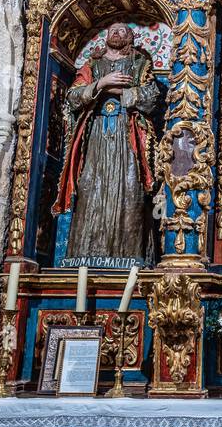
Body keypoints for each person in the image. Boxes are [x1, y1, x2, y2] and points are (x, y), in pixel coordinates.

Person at [54, 22, 160, 266]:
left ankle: (128, 257)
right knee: (90, 189)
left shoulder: (140, 63)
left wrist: (121, 92)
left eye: (122, 30)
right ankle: (83, 257)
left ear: (130, 37)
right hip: (96, 135)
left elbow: (152, 97)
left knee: (130, 190)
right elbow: (72, 96)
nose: (117, 33)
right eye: (113, 30)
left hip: (127, 135)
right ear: (106, 37)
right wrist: (102, 84)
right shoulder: (92, 65)